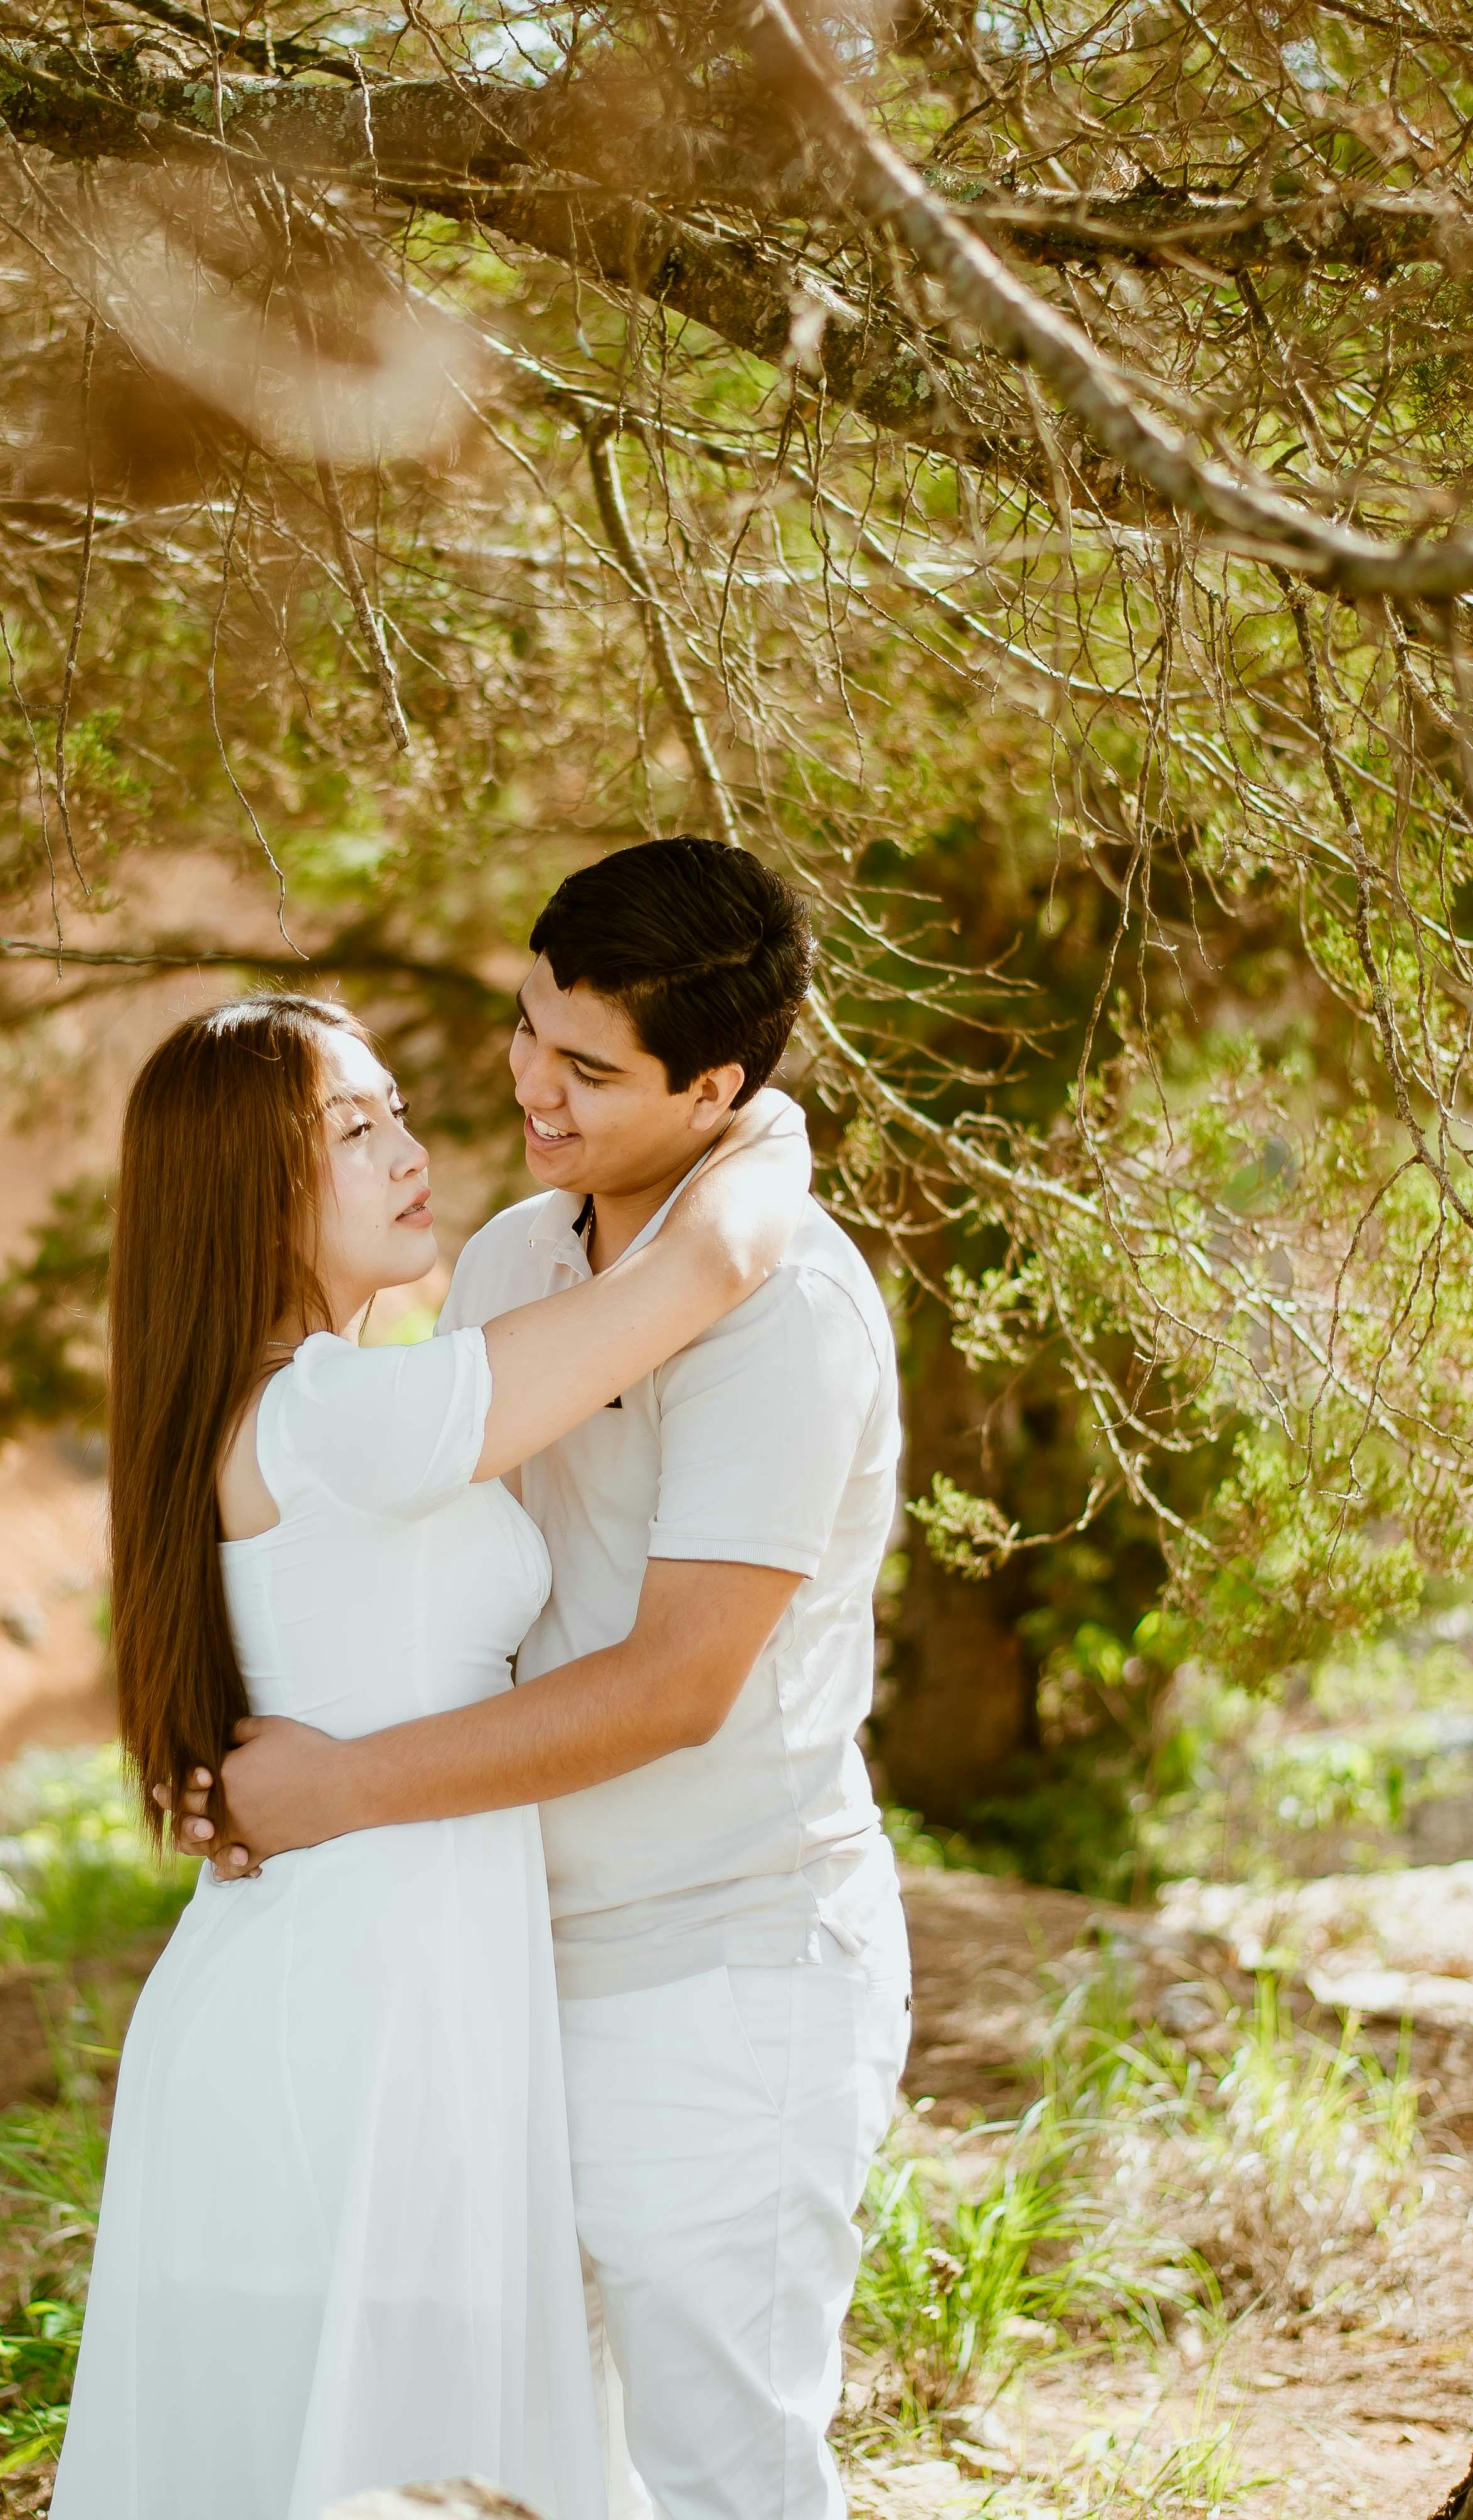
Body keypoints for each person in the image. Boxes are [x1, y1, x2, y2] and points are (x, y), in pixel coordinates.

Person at [198, 838, 908, 2520]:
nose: (532, 1086)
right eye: (528, 1028)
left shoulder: (788, 1312)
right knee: (515, 2477)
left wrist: (333, 1788)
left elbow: (674, 1686)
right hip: (500, 1972)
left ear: (714, 1089)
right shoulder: (515, 1262)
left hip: (718, 1970)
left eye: (589, 1069)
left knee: (727, 2480)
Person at [51, 988, 817, 2520]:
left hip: (364, 1987)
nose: (408, 1151)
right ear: (246, 1188)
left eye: (394, 1110)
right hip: (351, 2020)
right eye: (352, 1129)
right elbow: (715, 1260)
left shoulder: (299, 1410)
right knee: (384, 2469)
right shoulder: (340, 1418)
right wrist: (767, 1113)